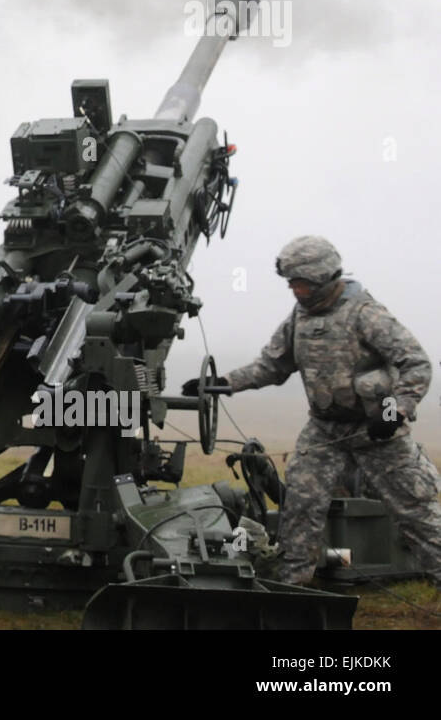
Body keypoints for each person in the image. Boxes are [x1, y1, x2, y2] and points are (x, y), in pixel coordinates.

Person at [184, 235, 441, 587]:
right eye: (292, 284)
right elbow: (272, 365)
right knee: (300, 509)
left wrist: (396, 409)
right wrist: (224, 382)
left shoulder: (367, 314)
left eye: (302, 285)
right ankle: (291, 589)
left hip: (377, 431)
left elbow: (416, 364)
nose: (296, 291)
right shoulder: (299, 317)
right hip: (323, 432)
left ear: (325, 279)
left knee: (416, 513)